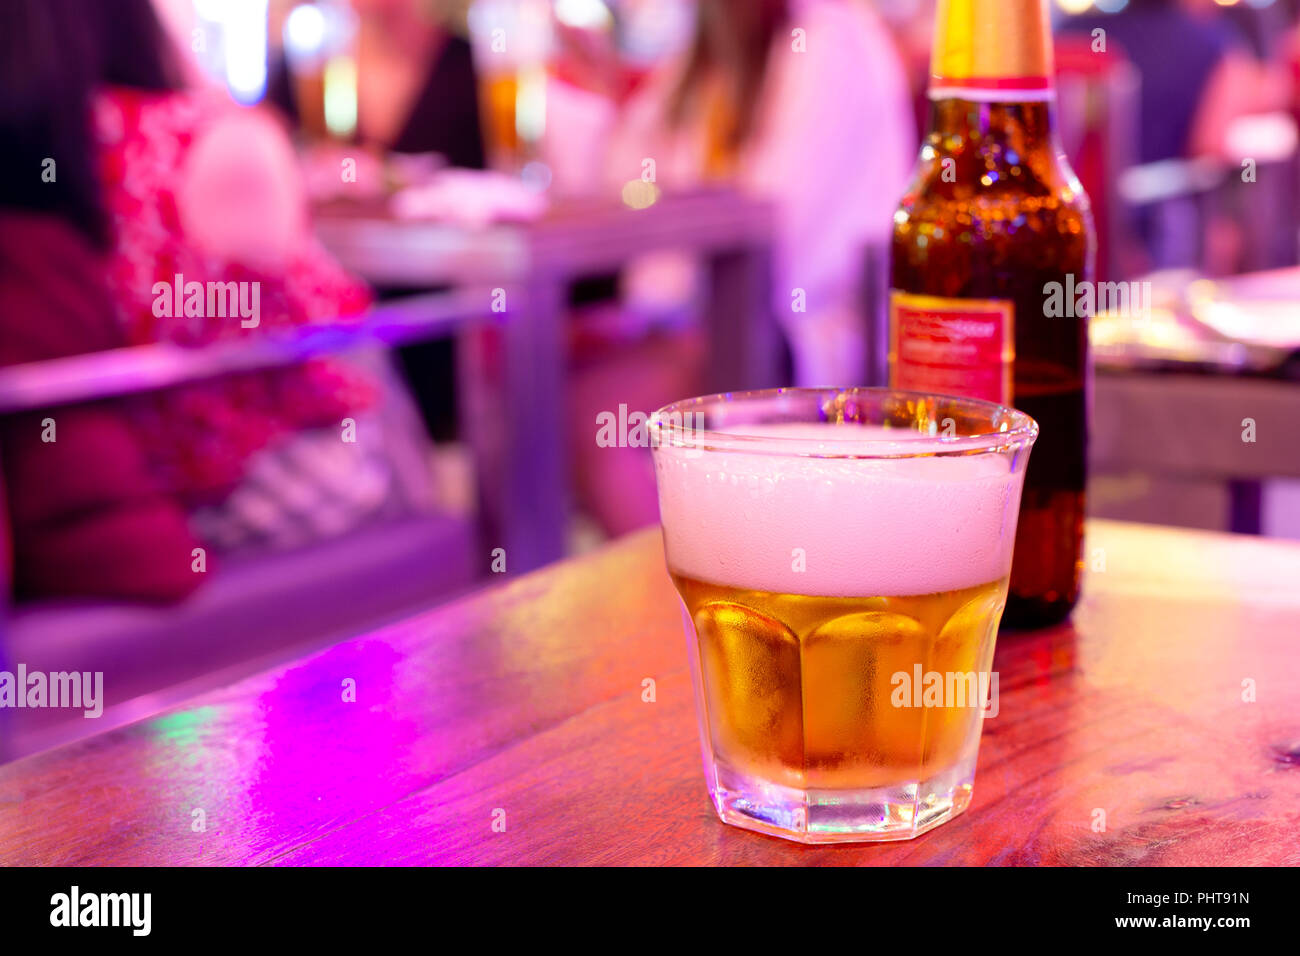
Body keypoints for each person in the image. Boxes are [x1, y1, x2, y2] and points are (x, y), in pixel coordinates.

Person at [605, 0, 916, 388]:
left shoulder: (831, 42)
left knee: (608, 392)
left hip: (802, 344)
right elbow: (618, 176)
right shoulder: (704, 55)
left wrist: (664, 293)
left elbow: (778, 240)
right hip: (709, 322)